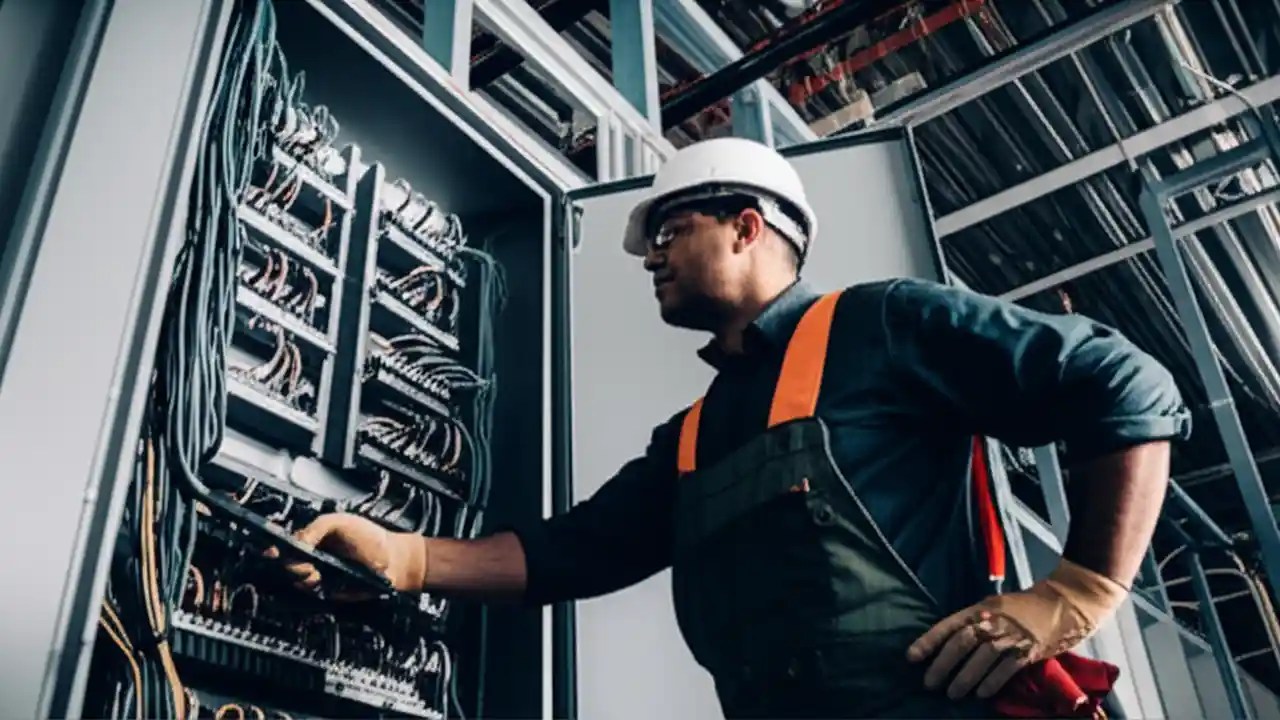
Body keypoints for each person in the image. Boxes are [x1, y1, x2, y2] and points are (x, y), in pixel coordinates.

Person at [273, 137, 1191, 718]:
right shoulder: (691, 438)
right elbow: (571, 553)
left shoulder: (879, 325)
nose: (652, 258)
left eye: (670, 230)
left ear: (747, 227)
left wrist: (1078, 593)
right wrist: (407, 558)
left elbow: (1124, 383)